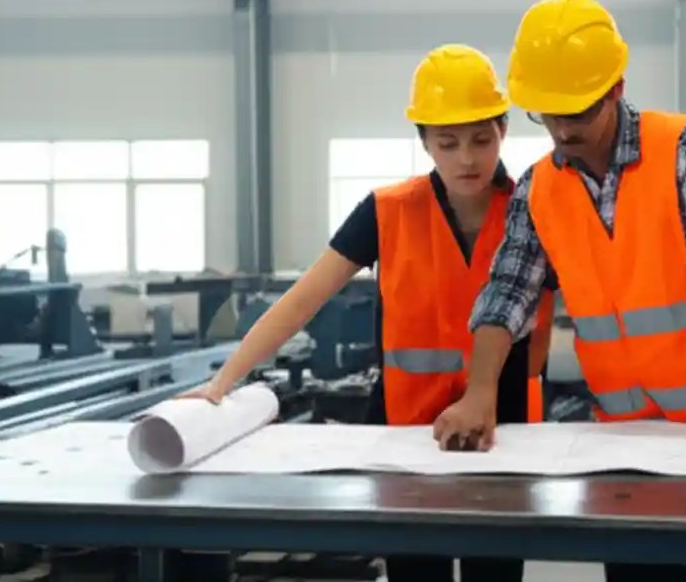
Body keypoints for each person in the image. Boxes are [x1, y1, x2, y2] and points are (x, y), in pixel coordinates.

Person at [432, 0, 686, 582]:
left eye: (577, 112)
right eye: (548, 114)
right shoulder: (540, 187)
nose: (563, 130)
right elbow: (506, 292)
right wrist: (480, 391)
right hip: (621, 448)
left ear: (616, 89)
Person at [182, 43, 550, 582]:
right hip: (404, 433)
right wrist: (223, 382)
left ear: (503, 132)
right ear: (424, 142)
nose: (466, 159)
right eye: (448, 143)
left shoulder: (535, 212)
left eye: (480, 139)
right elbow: (304, 299)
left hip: (502, 432)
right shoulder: (387, 213)